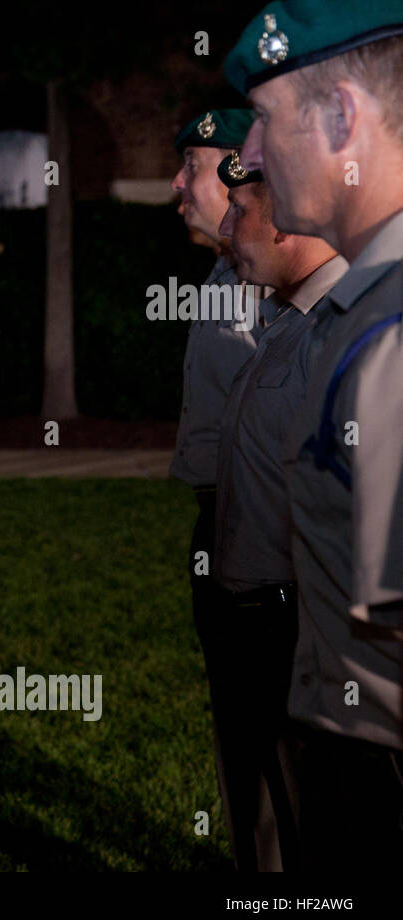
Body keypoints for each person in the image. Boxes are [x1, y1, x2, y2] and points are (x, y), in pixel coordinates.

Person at [227, 0, 403, 868]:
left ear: (341, 118)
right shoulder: (361, 308)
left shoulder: (393, 330)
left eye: (264, 120)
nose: (249, 157)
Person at [212, 149, 347, 871]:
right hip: (262, 620)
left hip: (302, 630)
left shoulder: (339, 332)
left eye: (242, 211)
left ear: (291, 218)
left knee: (323, 832)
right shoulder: (288, 324)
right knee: (279, 825)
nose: (227, 227)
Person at [168, 110, 260, 770]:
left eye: (191, 167)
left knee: (273, 731)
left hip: (265, 535)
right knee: (239, 727)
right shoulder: (224, 276)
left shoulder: (270, 281)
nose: (176, 184)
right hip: (222, 521)